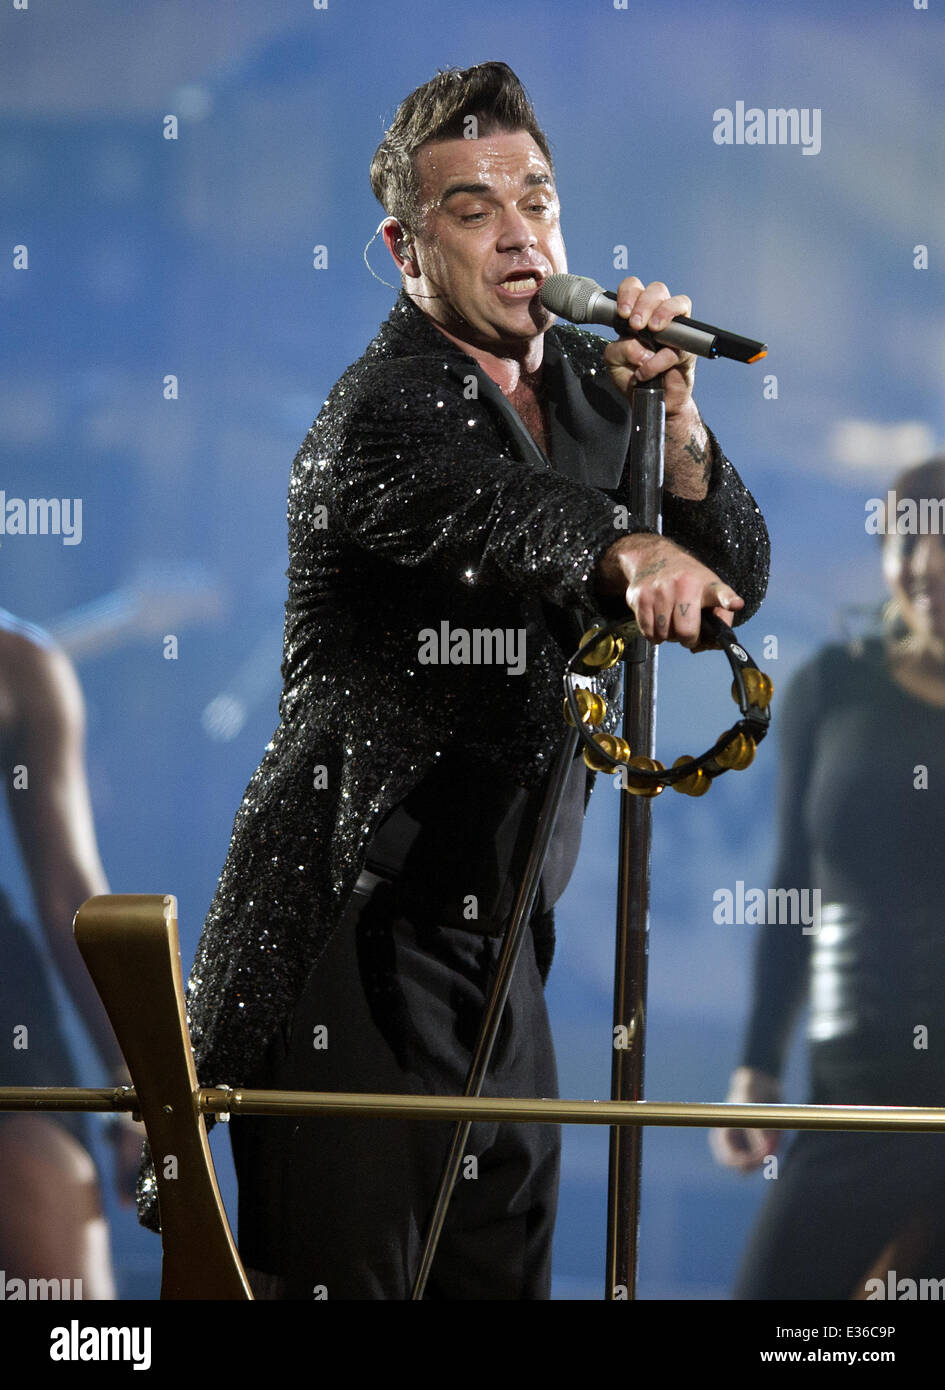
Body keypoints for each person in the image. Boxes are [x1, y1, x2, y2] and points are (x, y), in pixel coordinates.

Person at [136, 60, 769, 1298]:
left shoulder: (599, 394)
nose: (520, 231)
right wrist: (619, 548)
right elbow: (501, 515)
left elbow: (735, 565)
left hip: (508, 941)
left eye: (536, 198)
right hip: (355, 931)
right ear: (403, 247)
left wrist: (679, 425)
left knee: (499, 1270)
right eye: (475, 210)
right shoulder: (374, 414)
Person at [712, 455, 945, 1300]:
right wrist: (756, 1066)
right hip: (850, 1097)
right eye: (904, 542)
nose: (923, 566)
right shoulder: (830, 687)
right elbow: (790, 887)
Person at [0, 610, 141, 1298]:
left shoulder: (20, 662)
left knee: (70, 1302)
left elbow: (69, 894)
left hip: (4, 1016)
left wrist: (136, 1086)